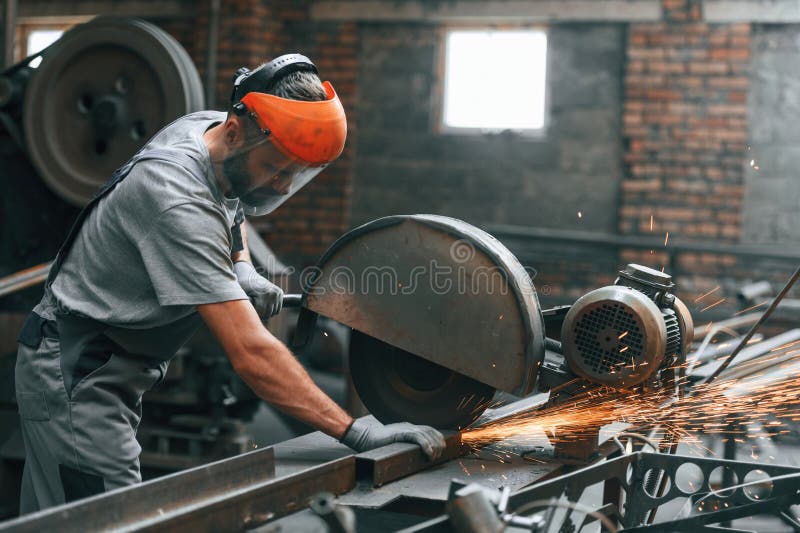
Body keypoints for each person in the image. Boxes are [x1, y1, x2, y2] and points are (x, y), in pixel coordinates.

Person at [14, 53, 445, 513]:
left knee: (54, 516)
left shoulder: (212, 129)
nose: (283, 187)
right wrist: (355, 430)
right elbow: (252, 354)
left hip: (104, 365)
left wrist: (242, 264)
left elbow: (229, 198)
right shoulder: (174, 200)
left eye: (295, 174)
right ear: (237, 133)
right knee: (111, 520)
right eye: (277, 169)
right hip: (77, 374)